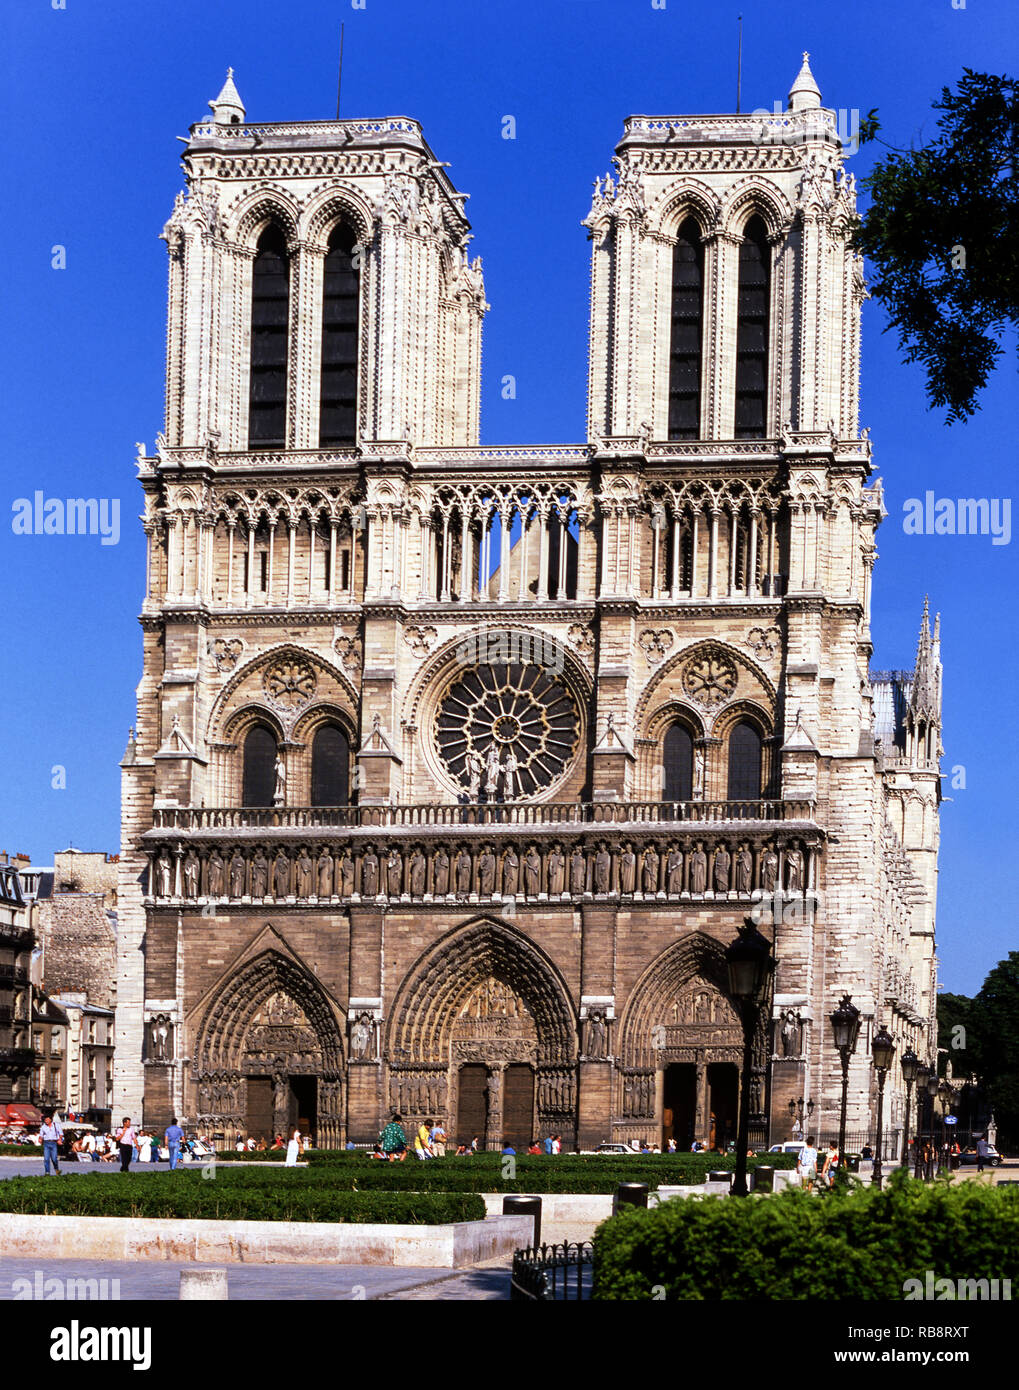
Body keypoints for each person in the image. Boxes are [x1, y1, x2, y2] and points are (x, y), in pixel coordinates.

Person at [39, 1111, 63, 1176]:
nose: (46, 1121)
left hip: (54, 1143)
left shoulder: (56, 1125)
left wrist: (59, 1139)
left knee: (54, 1159)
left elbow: (61, 1134)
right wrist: (40, 1139)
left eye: (47, 1119)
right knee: (46, 1159)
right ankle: (47, 1172)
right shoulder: (43, 1127)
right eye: (45, 1120)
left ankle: (56, 1169)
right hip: (46, 1143)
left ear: (50, 1119)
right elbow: (41, 1135)